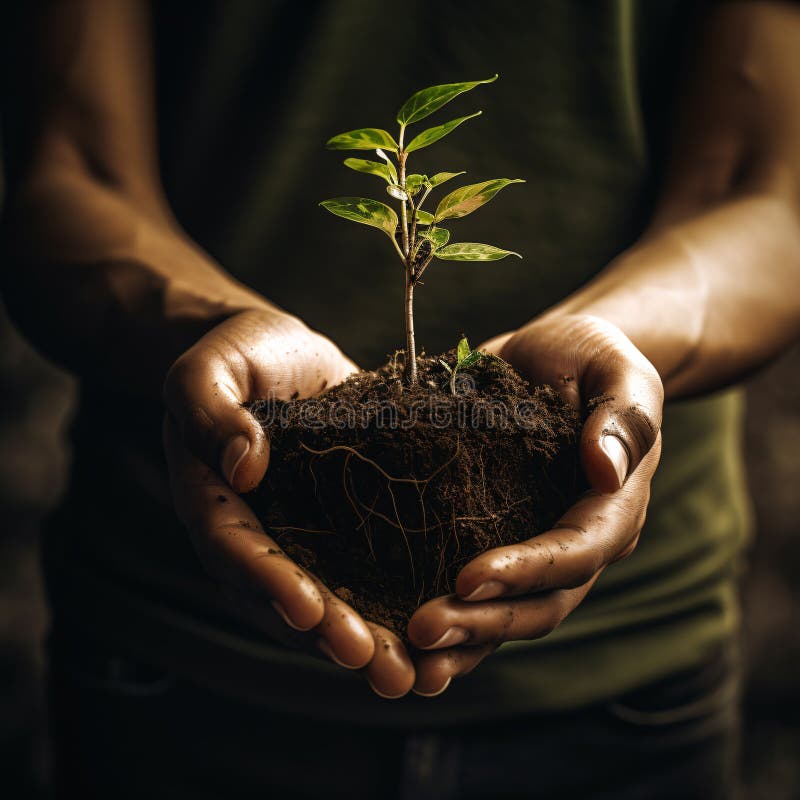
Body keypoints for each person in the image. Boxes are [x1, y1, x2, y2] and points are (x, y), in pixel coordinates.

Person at [1, 0, 799, 797]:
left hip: (635, 664)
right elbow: (68, 170)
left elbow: (766, 197)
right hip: (175, 650)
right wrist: (210, 333)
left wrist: (616, 352)